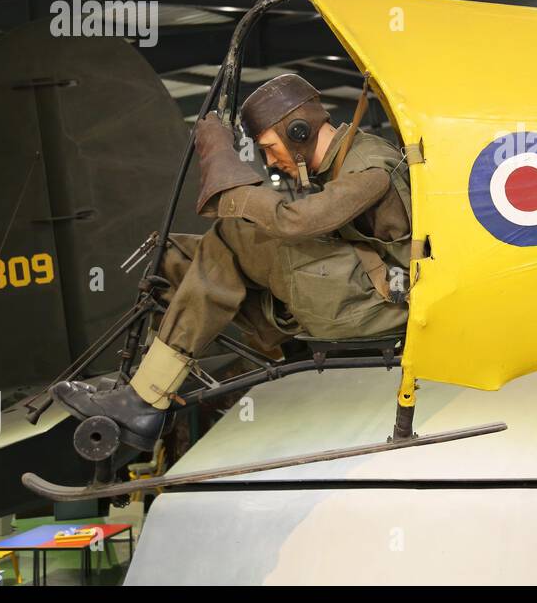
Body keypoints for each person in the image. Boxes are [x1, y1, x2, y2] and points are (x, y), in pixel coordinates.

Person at [50, 74, 411, 451]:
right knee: (175, 255)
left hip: (378, 301)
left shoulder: (370, 166)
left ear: (298, 131)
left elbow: (297, 221)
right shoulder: (344, 162)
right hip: (359, 288)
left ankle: (146, 400)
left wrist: (226, 177)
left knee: (232, 236)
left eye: (271, 147)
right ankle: (151, 390)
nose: (271, 161)